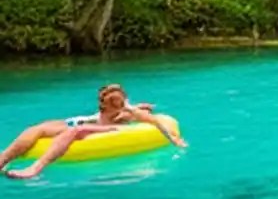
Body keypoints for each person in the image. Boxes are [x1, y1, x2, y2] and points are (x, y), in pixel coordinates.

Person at [0, 83, 187, 180]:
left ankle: (35, 168)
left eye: (114, 101)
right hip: (85, 123)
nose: (110, 104)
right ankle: (2, 160)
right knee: (38, 128)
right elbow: (96, 117)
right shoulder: (106, 108)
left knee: (77, 130)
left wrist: (173, 139)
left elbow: (155, 121)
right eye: (107, 100)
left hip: (107, 130)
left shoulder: (127, 113)